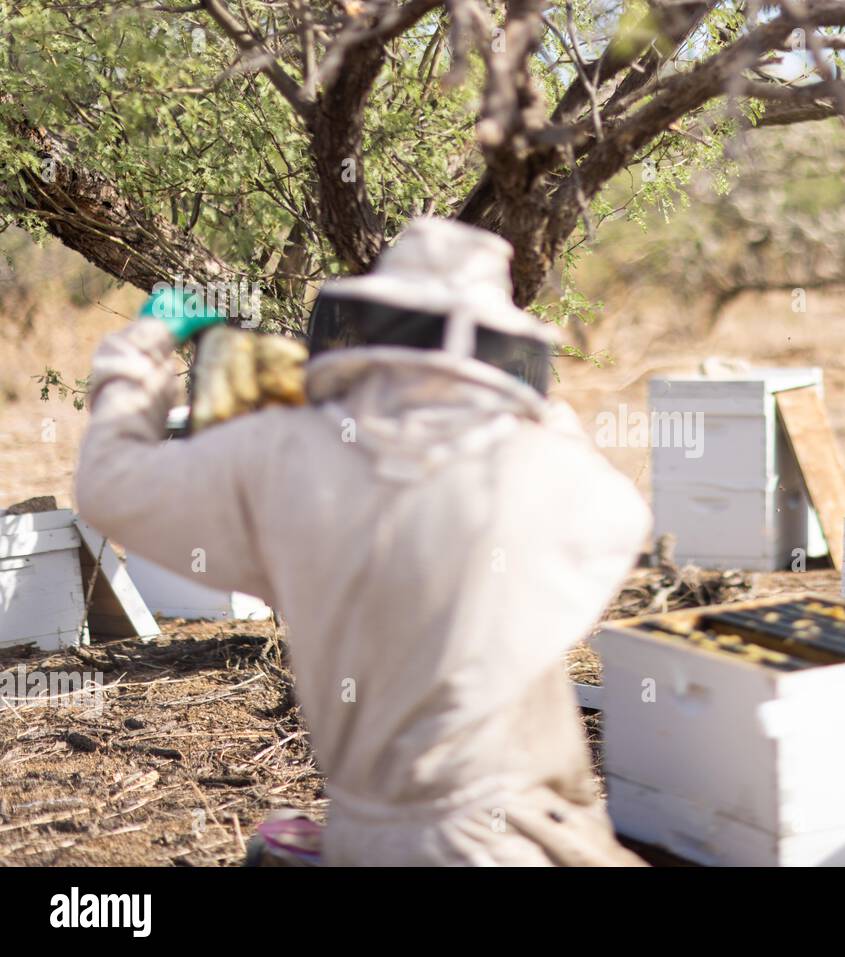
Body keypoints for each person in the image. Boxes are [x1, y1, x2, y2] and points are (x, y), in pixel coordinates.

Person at [76, 217, 650, 865]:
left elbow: (108, 486)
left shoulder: (283, 452)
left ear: (368, 323)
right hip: (524, 837)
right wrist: (547, 420)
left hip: (371, 837)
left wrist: (140, 349)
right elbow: (620, 517)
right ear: (500, 348)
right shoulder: (544, 462)